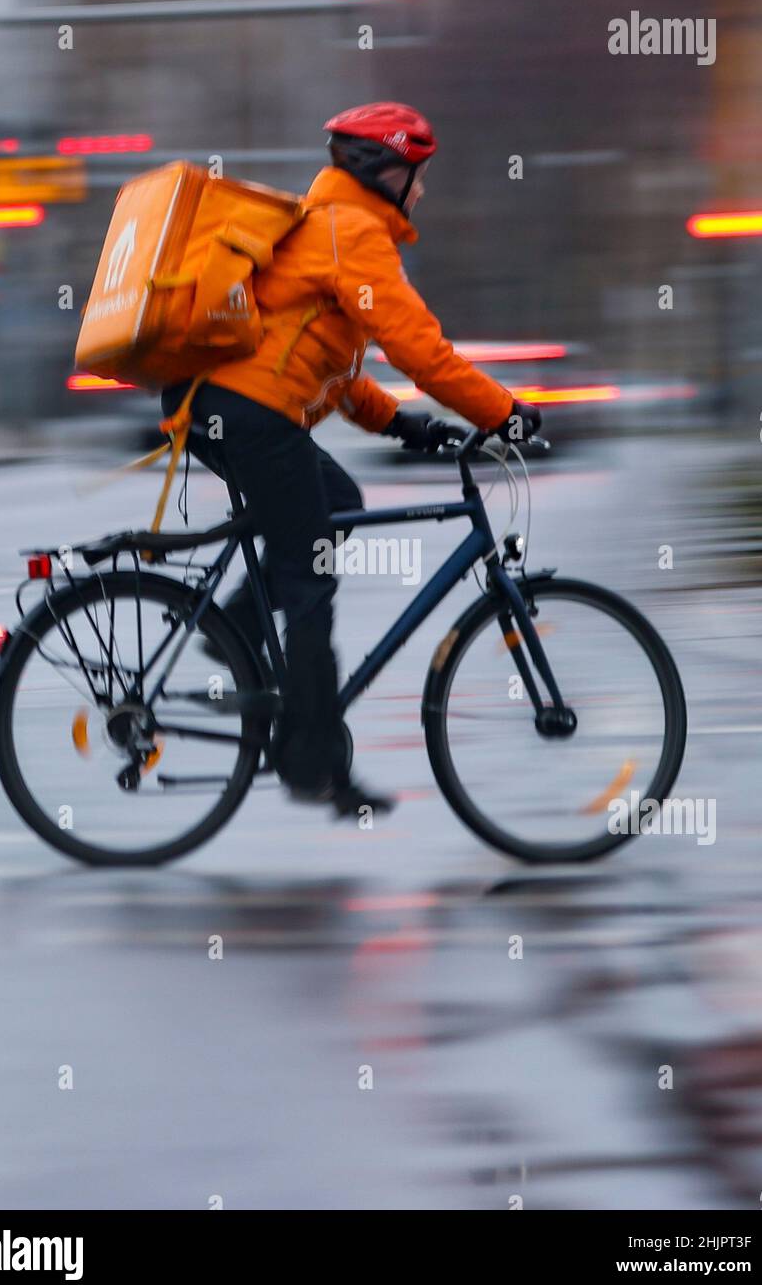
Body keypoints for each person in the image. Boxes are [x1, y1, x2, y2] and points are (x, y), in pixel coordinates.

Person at [161, 101, 541, 817]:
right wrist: (501, 412)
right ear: (382, 170)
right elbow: (417, 348)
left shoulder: (326, 228)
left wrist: (403, 425)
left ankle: (238, 631)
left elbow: (325, 362)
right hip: (247, 415)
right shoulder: (351, 233)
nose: (420, 190)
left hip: (233, 407)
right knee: (311, 583)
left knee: (338, 505)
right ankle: (313, 764)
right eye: (415, 174)